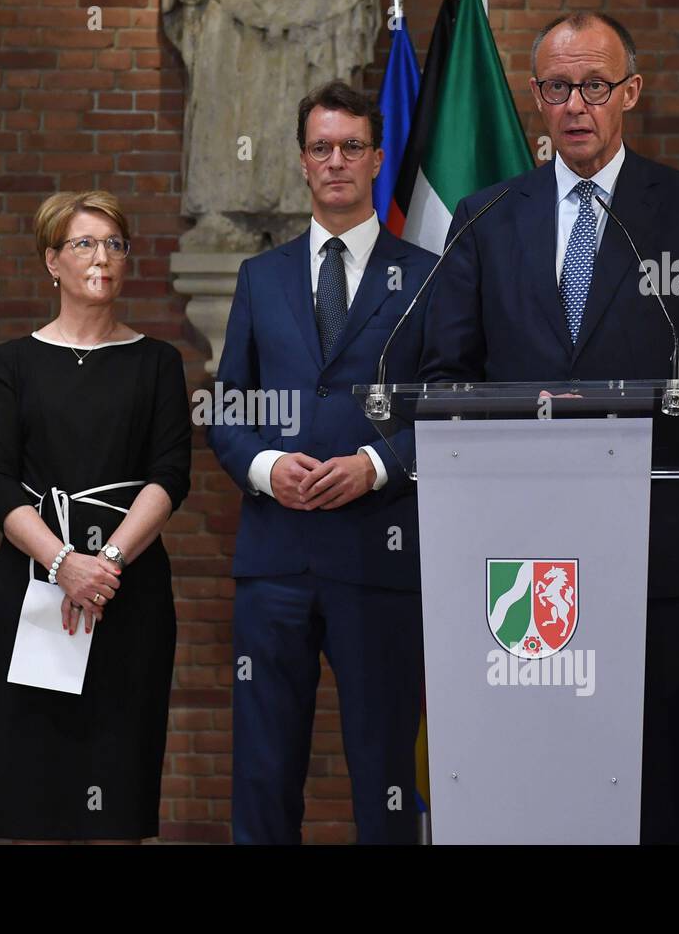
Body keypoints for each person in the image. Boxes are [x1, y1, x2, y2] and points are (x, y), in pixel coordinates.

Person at [419, 12, 679, 844]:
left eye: (594, 85)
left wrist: (639, 426)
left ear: (630, 94)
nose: (575, 104)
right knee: (528, 780)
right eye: (555, 87)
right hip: (517, 562)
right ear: (535, 98)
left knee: (653, 783)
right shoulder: (483, 216)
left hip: (656, 552)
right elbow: (441, 380)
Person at [208, 81, 438, 844]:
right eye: (320, 148)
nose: (335, 160)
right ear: (303, 163)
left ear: (376, 158)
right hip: (275, 558)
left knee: (385, 774)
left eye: (351, 147)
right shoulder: (260, 278)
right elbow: (228, 409)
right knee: (265, 772)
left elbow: (448, 409)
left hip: (382, 554)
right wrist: (269, 467)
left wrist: (375, 464)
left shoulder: (431, 274)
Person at [0, 190, 191, 842]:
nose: (102, 257)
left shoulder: (158, 362)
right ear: (52, 262)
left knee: (118, 791)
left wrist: (107, 565)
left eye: (114, 244)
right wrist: (65, 564)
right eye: (85, 243)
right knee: (37, 794)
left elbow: (170, 478)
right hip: (36, 591)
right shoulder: (13, 362)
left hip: (130, 594)